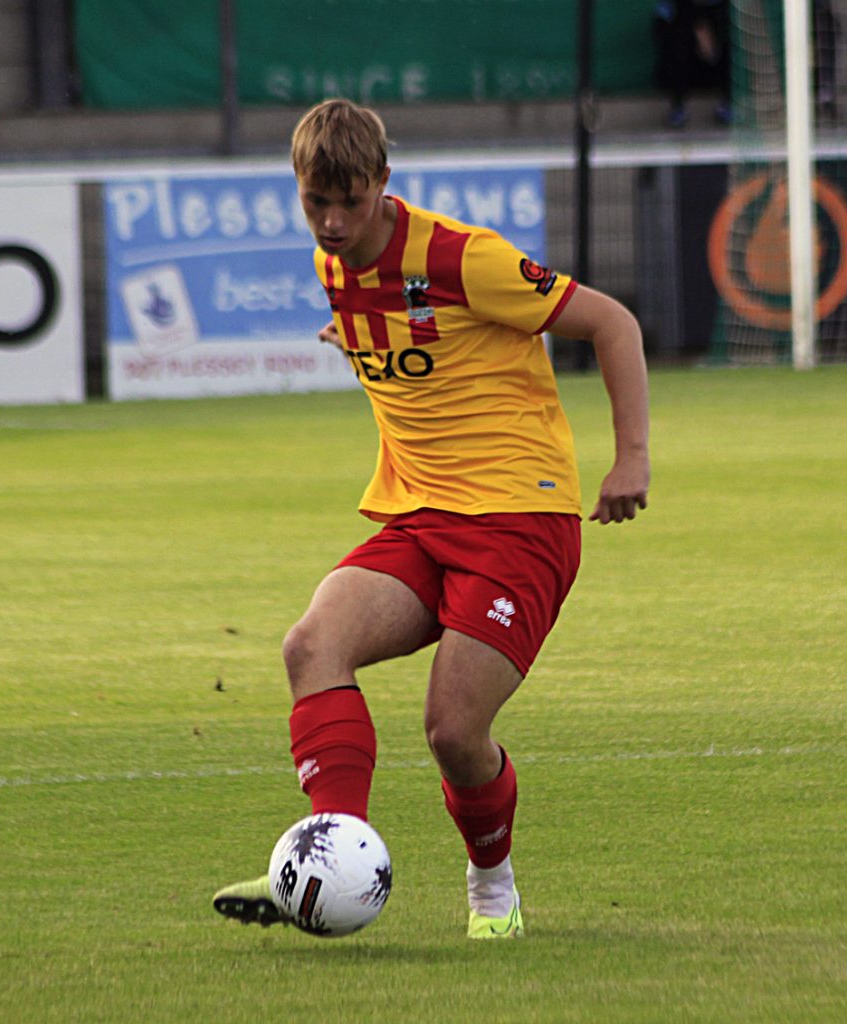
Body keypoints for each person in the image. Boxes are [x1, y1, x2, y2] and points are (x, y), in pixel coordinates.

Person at [213, 98, 650, 939]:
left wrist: (628, 457)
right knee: (310, 645)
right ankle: (325, 855)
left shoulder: (461, 258)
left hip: (517, 519)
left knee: (453, 730)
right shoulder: (330, 262)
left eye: (350, 202)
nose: (333, 223)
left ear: (384, 182)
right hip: (418, 514)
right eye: (316, 204)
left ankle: (492, 888)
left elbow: (612, 322)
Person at [654, 0, 732, 128]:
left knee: (726, 49)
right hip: (685, 14)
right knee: (676, 50)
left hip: (716, 15)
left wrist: (709, 39)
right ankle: (678, 107)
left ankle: (728, 104)